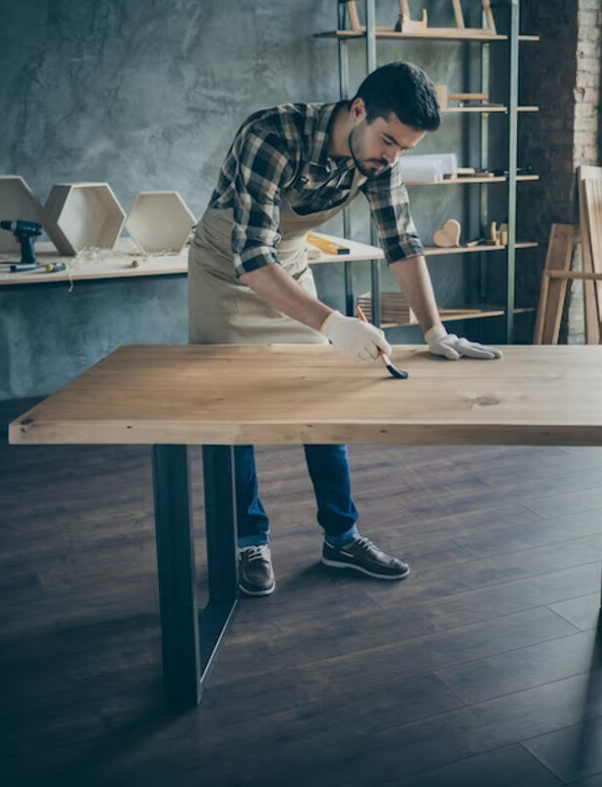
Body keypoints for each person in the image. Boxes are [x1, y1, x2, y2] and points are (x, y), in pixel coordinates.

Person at [188, 62, 503, 597]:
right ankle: (248, 540)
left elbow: (401, 241)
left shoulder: (380, 158)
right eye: (388, 141)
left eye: (404, 148)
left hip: (288, 266)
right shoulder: (272, 135)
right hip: (226, 271)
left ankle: (341, 537)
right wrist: (333, 324)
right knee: (234, 411)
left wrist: (435, 331)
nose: (391, 157)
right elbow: (251, 258)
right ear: (358, 111)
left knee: (322, 400)